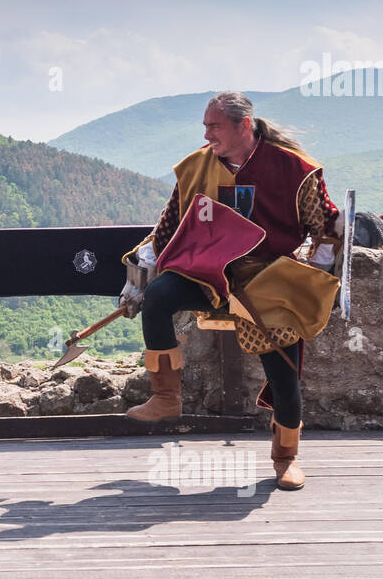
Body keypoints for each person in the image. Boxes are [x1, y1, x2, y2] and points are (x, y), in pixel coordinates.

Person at [119, 92, 343, 489]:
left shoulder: (295, 170)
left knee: (284, 370)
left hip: (268, 278)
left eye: (214, 126)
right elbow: (170, 224)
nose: (206, 134)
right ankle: (166, 395)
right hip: (207, 269)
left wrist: (312, 276)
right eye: (205, 126)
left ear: (244, 126)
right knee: (159, 298)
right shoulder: (196, 167)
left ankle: (285, 458)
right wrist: (140, 275)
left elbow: (325, 225)